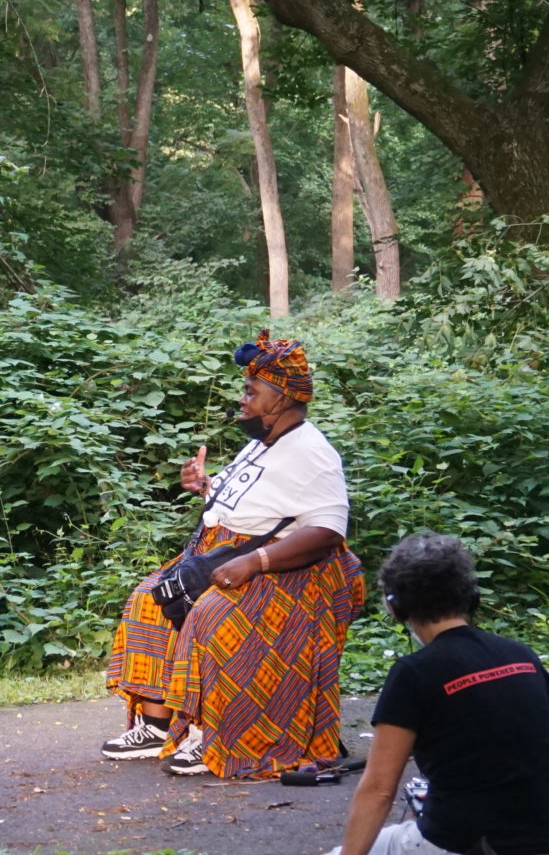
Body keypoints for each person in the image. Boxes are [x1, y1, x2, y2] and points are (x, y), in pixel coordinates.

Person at [100, 332, 364, 779]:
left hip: (285, 572)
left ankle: (216, 734)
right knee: (149, 598)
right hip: (220, 555)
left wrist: (253, 563)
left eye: (250, 392)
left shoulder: (313, 452)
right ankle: (157, 725)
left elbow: (326, 530)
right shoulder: (262, 440)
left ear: (279, 399)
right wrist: (205, 486)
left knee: (211, 614)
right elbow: (253, 499)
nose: (242, 400)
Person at [287, 534, 549, 855]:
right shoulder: (522, 656)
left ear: (395, 607)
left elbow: (379, 789)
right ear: (470, 595)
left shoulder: (415, 673)